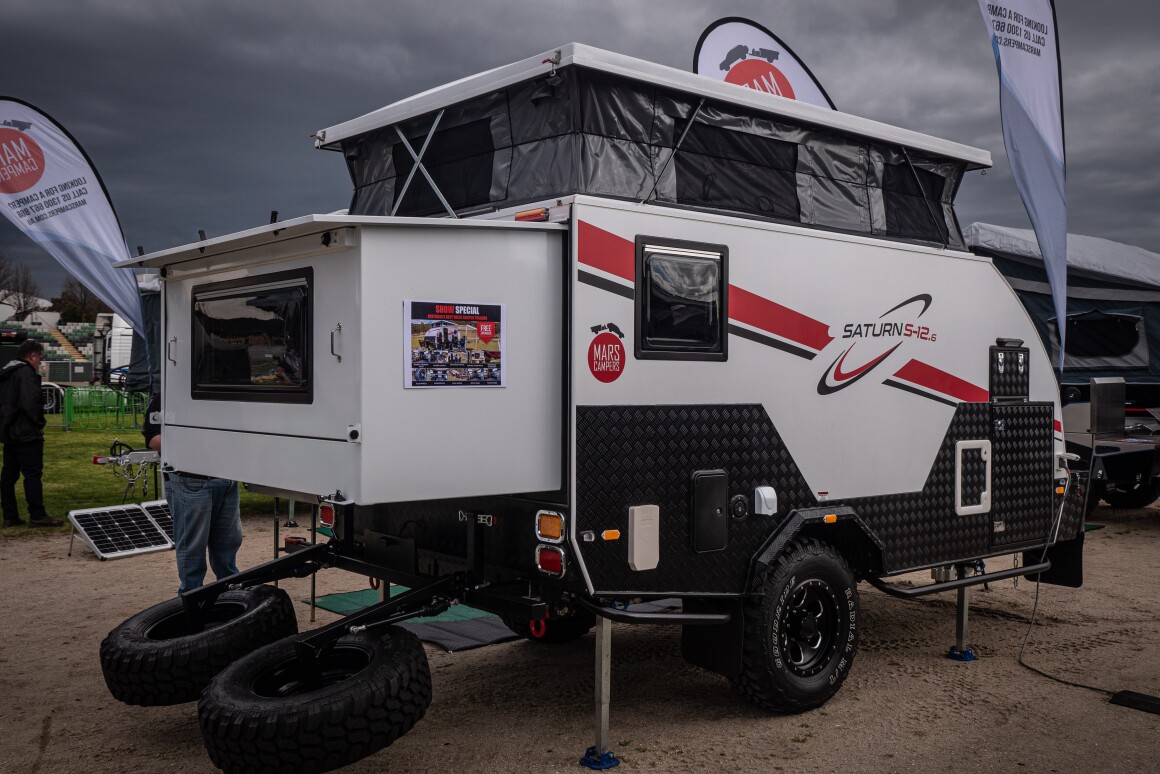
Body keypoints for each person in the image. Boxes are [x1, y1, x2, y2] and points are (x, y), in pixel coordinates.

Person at [143, 392, 243, 593]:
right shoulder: (167, 395)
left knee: (228, 545)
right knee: (192, 552)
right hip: (191, 479)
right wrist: (201, 442)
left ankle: (231, 600)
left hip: (225, 477)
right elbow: (154, 439)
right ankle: (191, 605)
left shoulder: (224, 393)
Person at [0, 340, 61, 528]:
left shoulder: (7, 373)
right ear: (32, 356)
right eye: (39, 358)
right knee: (32, 475)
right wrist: (39, 423)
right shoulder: (25, 374)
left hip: (9, 431)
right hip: (26, 432)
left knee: (9, 475)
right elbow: (30, 403)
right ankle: (37, 514)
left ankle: (10, 515)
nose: (39, 362)